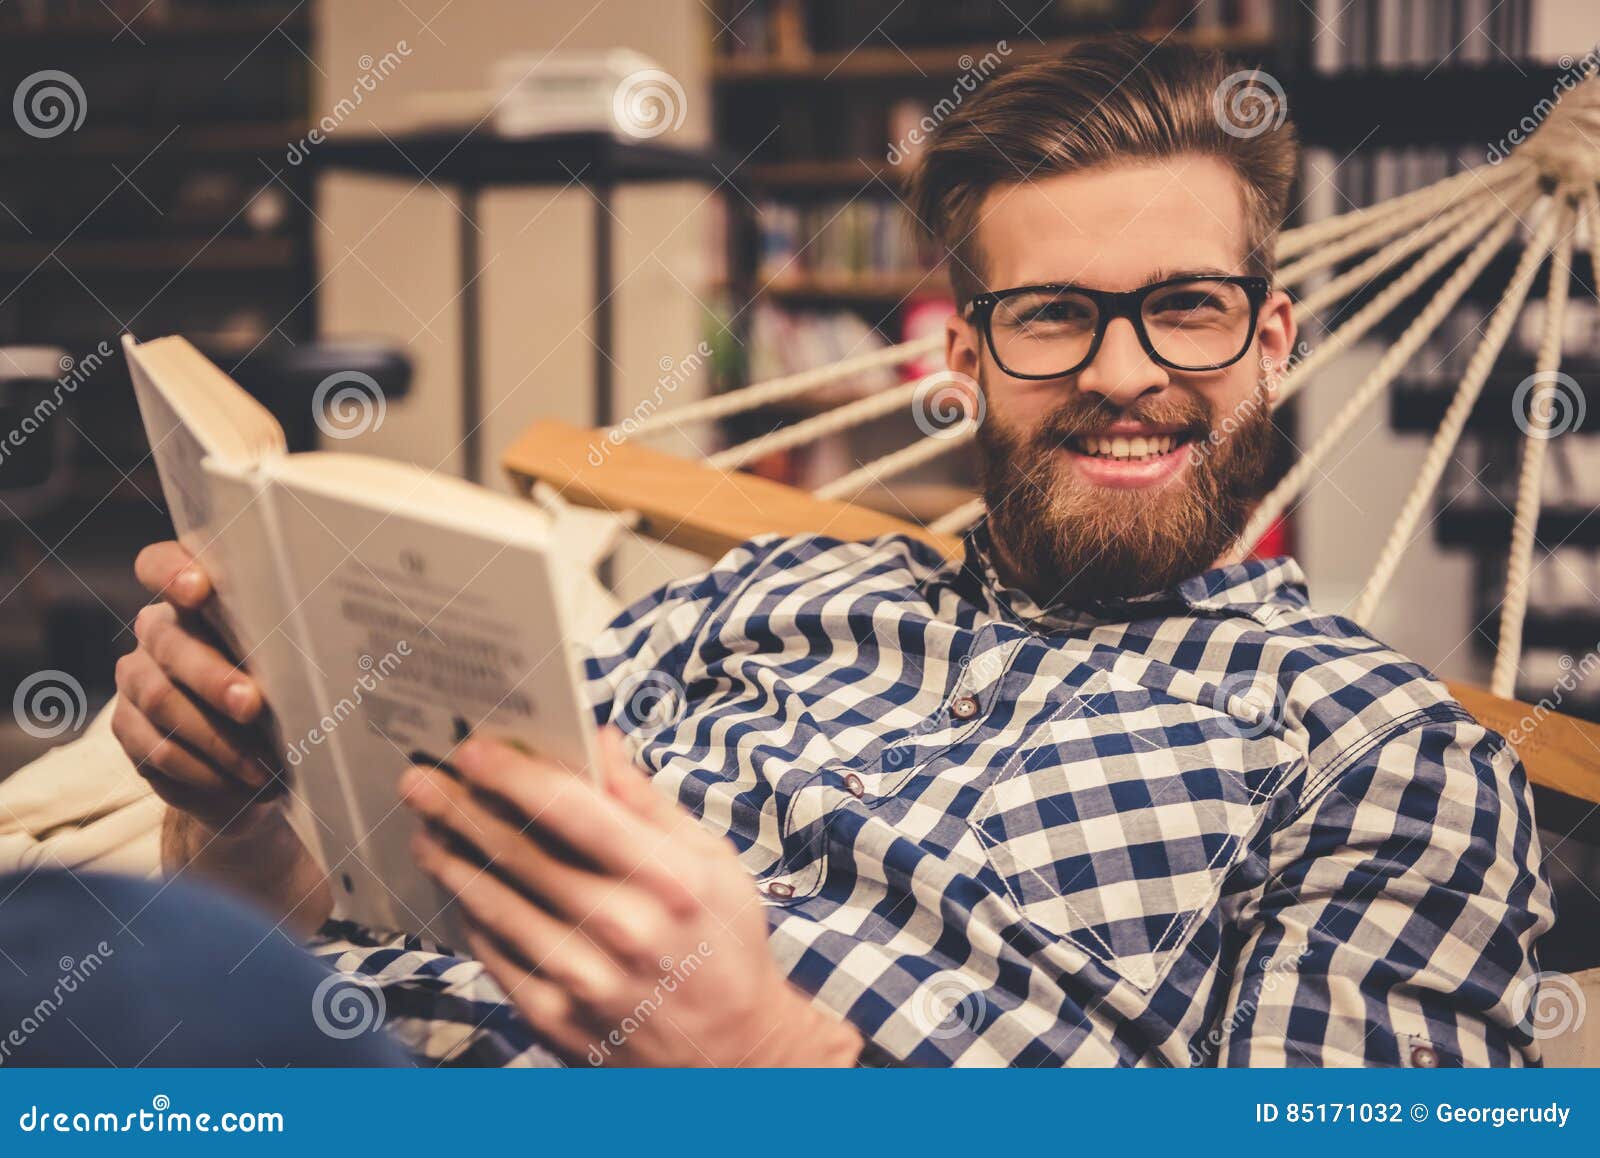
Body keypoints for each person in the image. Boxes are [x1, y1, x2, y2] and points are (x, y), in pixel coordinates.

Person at [104, 36, 1552, 1067]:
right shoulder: (753, 600)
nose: (1124, 372)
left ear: (1272, 343)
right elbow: (338, 920)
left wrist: (772, 1057)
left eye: (1185, 305)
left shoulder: (1376, 749)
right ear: (966, 356)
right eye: (1052, 315)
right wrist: (231, 814)